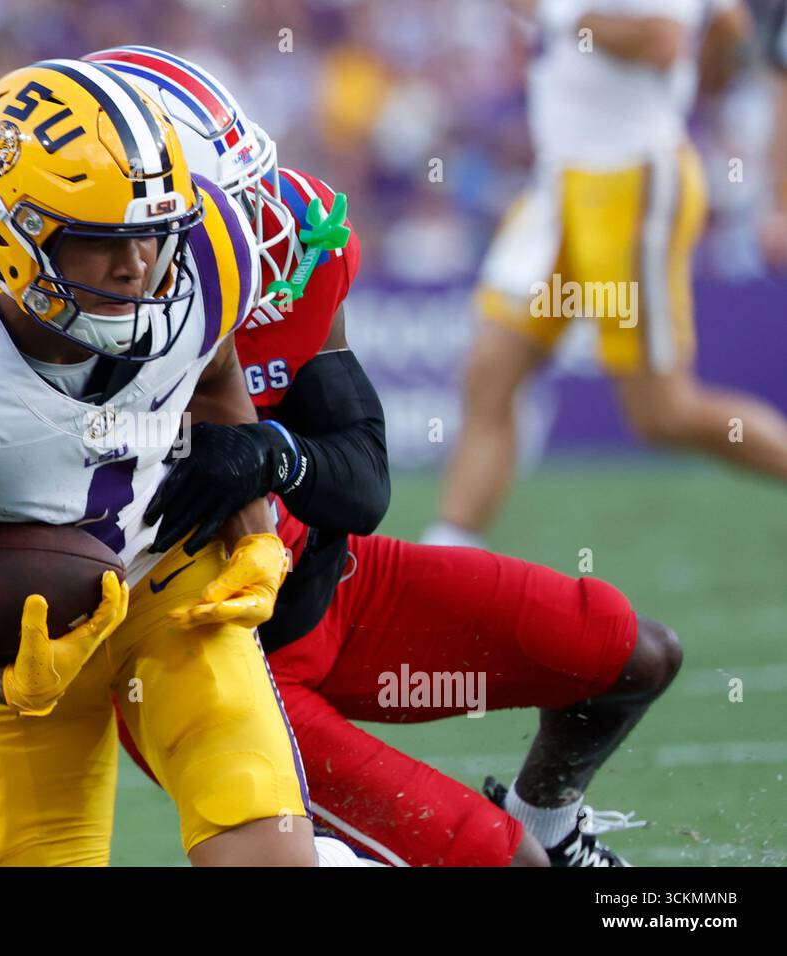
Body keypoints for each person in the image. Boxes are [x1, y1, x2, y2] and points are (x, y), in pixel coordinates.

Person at [86, 45, 682, 866]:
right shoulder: (58, 333)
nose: (258, 226)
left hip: (330, 586)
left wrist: (274, 455)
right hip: (212, 657)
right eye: (223, 205)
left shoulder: (295, 247)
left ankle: (553, 823)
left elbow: (361, 482)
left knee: (629, 653)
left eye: (251, 191)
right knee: (500, 863)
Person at [0, 58, 325, 866]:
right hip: (19, 628)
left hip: (172, 579)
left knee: (266, 846)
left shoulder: (205, 249)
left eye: (151, 235)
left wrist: (254, 530)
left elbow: (208, 370)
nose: (139, 267)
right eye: (101, 241)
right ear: (12, 232)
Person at [424, 0, 787, 550]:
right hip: (561, 184)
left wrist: (561, 13)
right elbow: (725, 29)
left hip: (630, 185)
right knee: (489, 373)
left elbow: (663, 43)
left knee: (662, 413)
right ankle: (448, 550)